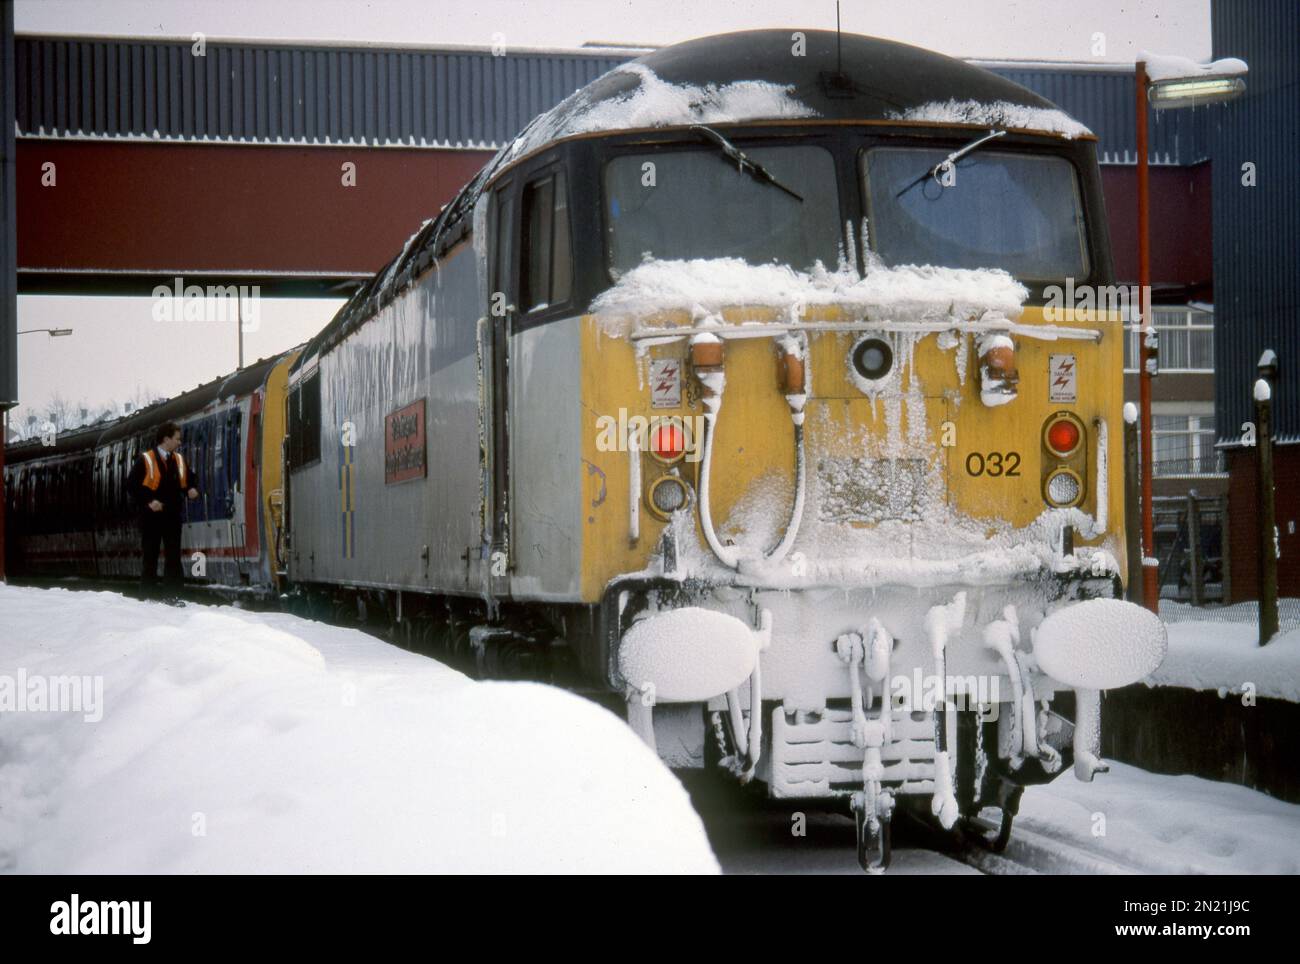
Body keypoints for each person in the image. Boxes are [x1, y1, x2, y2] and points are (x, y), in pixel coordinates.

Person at [127, 421, 199, 602]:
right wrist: (149, 502)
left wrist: (191, 488)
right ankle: (147, 597)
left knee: (173, 557)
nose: (179, 443)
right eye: (177, 439)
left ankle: (173, 596)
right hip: (151, 518)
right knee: (150, 556)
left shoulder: (179, 460)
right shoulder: (146, 460)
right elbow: (132, 485)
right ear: (166, 439)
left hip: (172, 516)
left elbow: (190, 479)